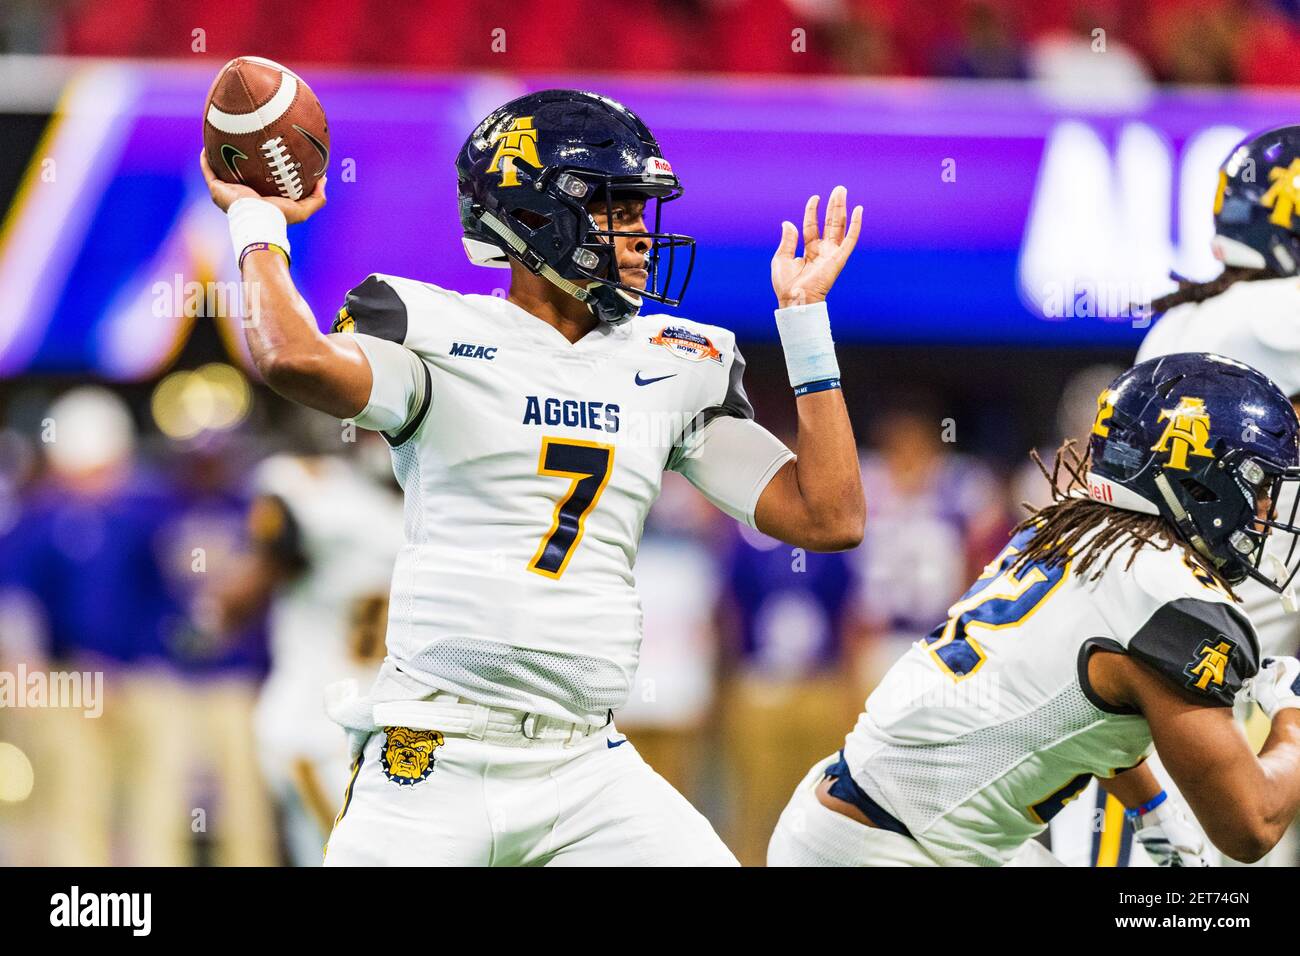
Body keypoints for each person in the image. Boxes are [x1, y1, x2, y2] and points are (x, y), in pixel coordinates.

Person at [201, 88, 865, 865]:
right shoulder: (436, 333)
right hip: (433, 749)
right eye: (617, 208)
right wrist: (257, 221)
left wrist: (806, 322)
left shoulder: (675, 361)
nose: (642, 236)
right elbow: (289, 355)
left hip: (585, 763)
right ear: (537, 214)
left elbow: (830, 517)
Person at [769, 352, 1300, 867]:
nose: (1265, 511)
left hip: (861, 818)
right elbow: (1251, 825)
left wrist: (1151, 804)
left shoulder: (1074, 530)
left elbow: (1068, 693)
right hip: (896, 846)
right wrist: (1293, 716)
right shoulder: (1170, 600)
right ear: (1197, 481)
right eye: (1257, 486)